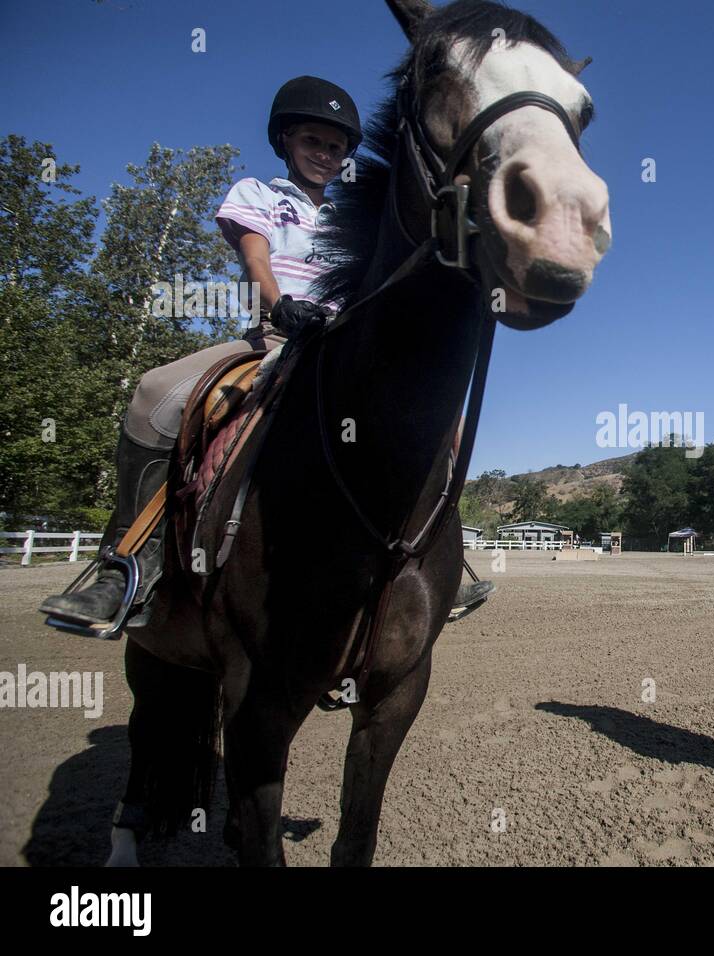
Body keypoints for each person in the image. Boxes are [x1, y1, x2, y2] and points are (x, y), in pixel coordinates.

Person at [42, 76, 492, 632]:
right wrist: (280, 307)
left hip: (351, 346)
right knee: (154, 395)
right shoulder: (259, 194)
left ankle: (435, 562)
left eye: (335, 147)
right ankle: (129, 563)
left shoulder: (359, 216)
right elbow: (256, 260)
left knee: (446, 420)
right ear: (285, 141)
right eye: (312, 142)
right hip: (277, 337)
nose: (325, 155)